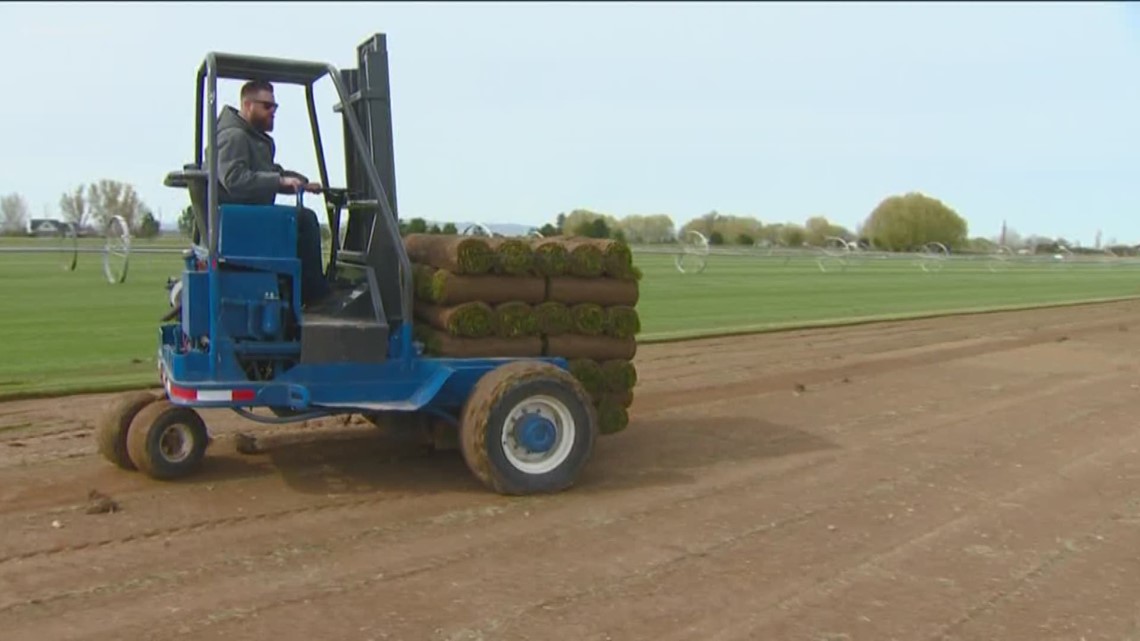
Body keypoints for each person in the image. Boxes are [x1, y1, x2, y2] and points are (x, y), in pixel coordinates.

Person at [214, 79, 330, 306]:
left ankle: (306, 288)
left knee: (300, 220)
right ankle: (314, 294)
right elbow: (235, 180)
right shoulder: (234, 137)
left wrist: (301, 183)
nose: (273, 112)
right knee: (305, 220)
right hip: (237, 221)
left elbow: (265, 172)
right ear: (247, 105)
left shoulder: (250, 138)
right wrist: (279, 181)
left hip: (242, 216)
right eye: (267, 106)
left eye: (274, 107)